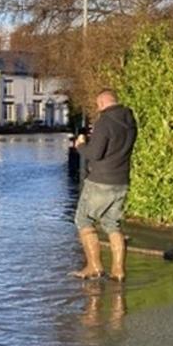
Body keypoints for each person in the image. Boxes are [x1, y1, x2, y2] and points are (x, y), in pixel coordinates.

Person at [71, 89, 137, 282]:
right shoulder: (130, 121)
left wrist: (81, 145)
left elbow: (95, 153)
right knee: (112, 224)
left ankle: (94, 266)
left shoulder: (104, 122)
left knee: (84, 220)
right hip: (121, 181)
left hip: (100, 181)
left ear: (101, 103)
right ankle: (118, 270)